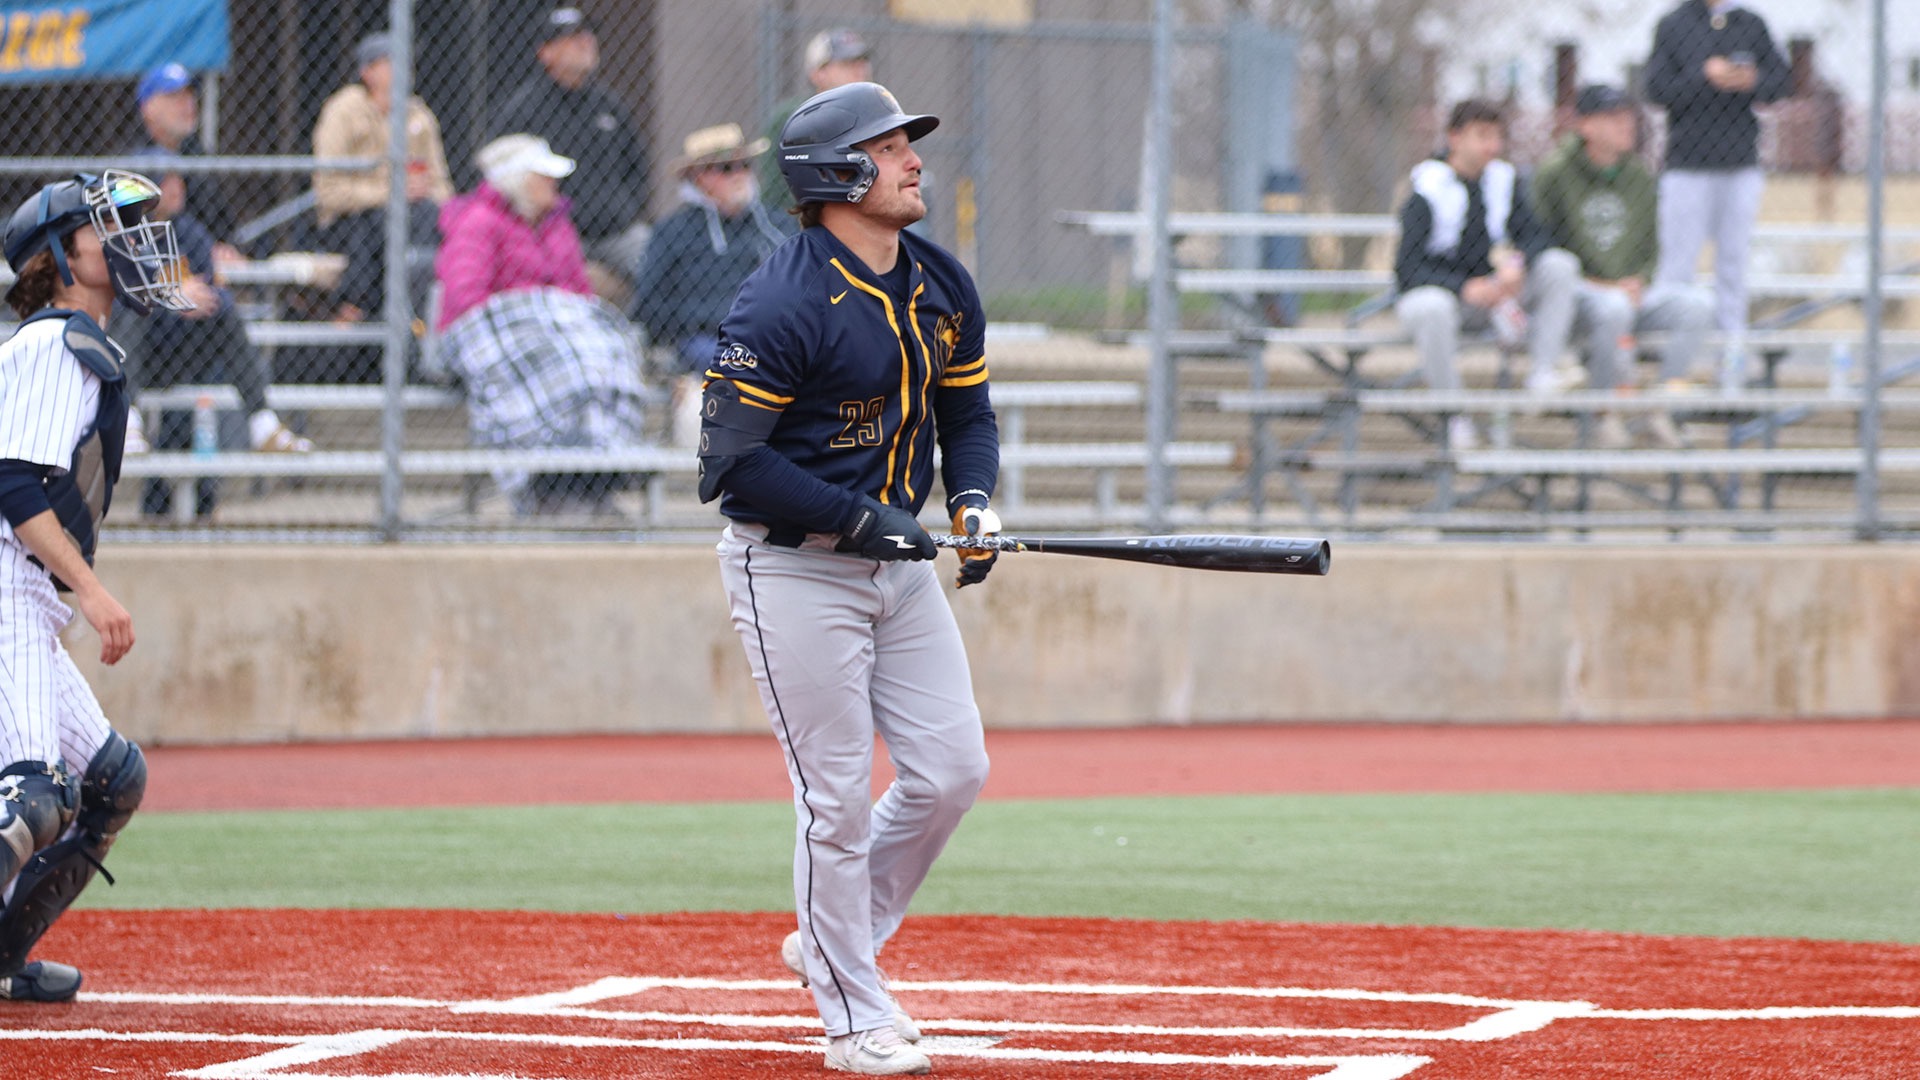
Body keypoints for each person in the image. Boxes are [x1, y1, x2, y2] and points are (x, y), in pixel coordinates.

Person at [701, 82, 999, 1076]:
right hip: (793, 567)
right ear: (835, 175)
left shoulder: (940, 282)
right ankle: (851, 1016)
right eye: (888, 146)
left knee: (953, 769)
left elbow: (968, 416)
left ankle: (836, 939)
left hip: (897, 567)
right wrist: (860, 514)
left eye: (909, 142)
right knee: (833, 797)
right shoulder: (781, 300)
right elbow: (729, 465)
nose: (912, 159)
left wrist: (972, 503)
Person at [0, 170, 170, 1003]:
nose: (134, 242)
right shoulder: (50, 342)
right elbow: (15, 485)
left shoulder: (83, 346)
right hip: (4, 584)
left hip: (25, 595)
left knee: (112, 780)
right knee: (32, 796)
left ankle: (1, 957)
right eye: (109, 230)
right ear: (61, 255)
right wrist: (93, 594)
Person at [435, 134, 649, 516]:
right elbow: (466, 299)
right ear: (519, 183)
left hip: (555, 330)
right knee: (558, 359)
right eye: (544, 177)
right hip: (497, 331)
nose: (554, 185)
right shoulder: (478, 222)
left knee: (605, 348)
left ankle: (594, 465)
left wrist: (561, 317)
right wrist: (537, 314)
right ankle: (546, 476)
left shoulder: (557, 226)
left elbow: (580, 294)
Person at [127, 154, 316, 520]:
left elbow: (207, 291)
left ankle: (262, 423)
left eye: (178, 179)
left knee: (224, 309)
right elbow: (122, 288)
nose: (177, 187)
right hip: (132, 361)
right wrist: (170, 293)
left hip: (180, 350)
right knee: (131, 309)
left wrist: (184, 295)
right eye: (166, 181)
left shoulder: (188, 230)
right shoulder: (124, 232)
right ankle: (127, 417)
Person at [1531, 85, 1716, 449]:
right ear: (1585, 125)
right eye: (1613, 118)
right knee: (1611, 308)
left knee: (1698, 305)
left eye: (1627, 117)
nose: (1626, 125)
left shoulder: (1638, 177)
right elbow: (1540, 247)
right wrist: (1598, 284)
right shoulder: (1554, 173)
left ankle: (1661, 405)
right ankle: (1603, 412)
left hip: (1626, 292)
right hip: (1579, 295)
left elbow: (1650, 246)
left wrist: (1639, 281)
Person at [1394, 99, 1580, 450]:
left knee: (1559, 265)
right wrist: (1463, 287)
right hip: (1446, 297)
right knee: (1431, 307)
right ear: (1454, 137)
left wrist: (1517, 265)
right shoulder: (1427, 189)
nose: (1491, 146)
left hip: (1495, 296)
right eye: (1481, 136)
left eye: (1497, 137)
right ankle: (1453, 417)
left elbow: (1536, 235)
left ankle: (1543, 372)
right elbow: (1407, 268)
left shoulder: (1503, 182)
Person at [630, 123, 791, 444]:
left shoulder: (776, 225)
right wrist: (703, 319)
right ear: (699, 177)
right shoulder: (673, 232)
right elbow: (649, 305)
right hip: (706, 339)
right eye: (726, 168)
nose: (740, 174)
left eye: (744, 165)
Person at [1646, 0, 1790, 343]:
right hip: (1688, 162)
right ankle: (1668, 346)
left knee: (1733, 262)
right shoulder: (1675, 23)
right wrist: (1703, 75)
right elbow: (1657, 88)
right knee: (1678, 261)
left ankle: (1731, 350)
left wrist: (1749, 80)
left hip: (1739, 160)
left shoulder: (1750, 23)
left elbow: (1781, 82)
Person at [488, 7, 652, 303]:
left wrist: (625, 210)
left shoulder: (608, 106)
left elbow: (637, 168)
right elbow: (502, 176)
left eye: (587, 36)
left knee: (655, 260)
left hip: (614, 233)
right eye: (572, 38)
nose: (585, 43)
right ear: (546, 53)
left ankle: (646, 344)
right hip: (551, 232)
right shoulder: (523, 110)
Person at [312, 31, 454, 324]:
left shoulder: (418, 114)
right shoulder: (343, 110)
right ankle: (371, 312)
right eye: (391, 61)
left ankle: (400, 311)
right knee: (381, 222)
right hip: (350, 222)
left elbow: (441, 184)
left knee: (429, 215)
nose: (404, 68)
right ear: (367, 72)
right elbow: (330, 193)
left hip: (414, 217)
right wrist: (393, 193)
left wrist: (428, 197)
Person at [131, 62, 238, 262]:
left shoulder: (198, 157)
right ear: (148, 107)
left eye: (189, 95)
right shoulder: (132, 160)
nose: (187, 104)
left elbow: (222, 224)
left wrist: (223, 248)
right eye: (174, 97)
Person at [759, 28, 874, 214]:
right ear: (818, 73)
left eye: (863, 61)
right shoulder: (793, 116)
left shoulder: (875, 115)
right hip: (802, 218)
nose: (859, 69)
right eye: (847, 63)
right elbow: (775, 187)